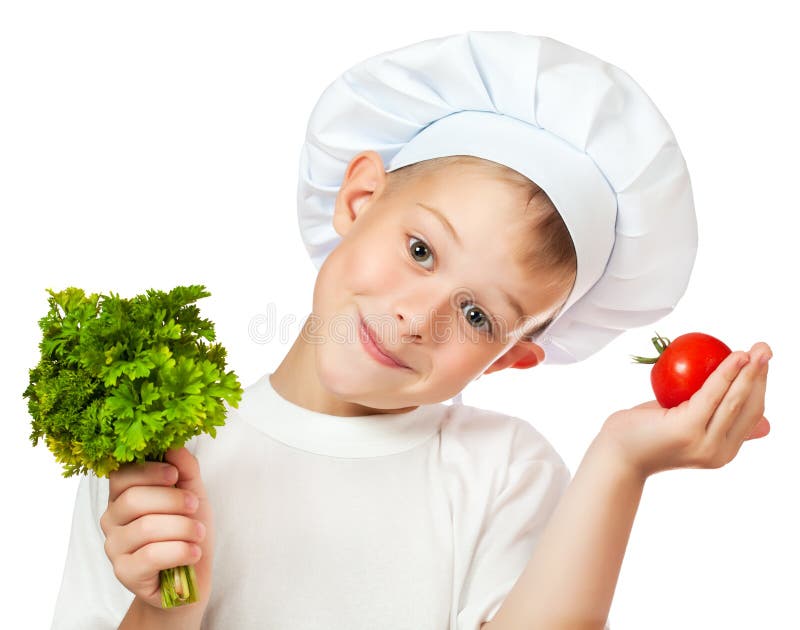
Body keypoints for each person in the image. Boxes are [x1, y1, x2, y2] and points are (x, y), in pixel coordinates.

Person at [50, 31, 772, 629]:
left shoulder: (502, 473)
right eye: (421, 250)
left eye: (477, 315)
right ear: (360, 198)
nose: (415, 318)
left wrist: (620, 461)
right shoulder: (162, 454)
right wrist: (164, 608)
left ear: (510, 358)